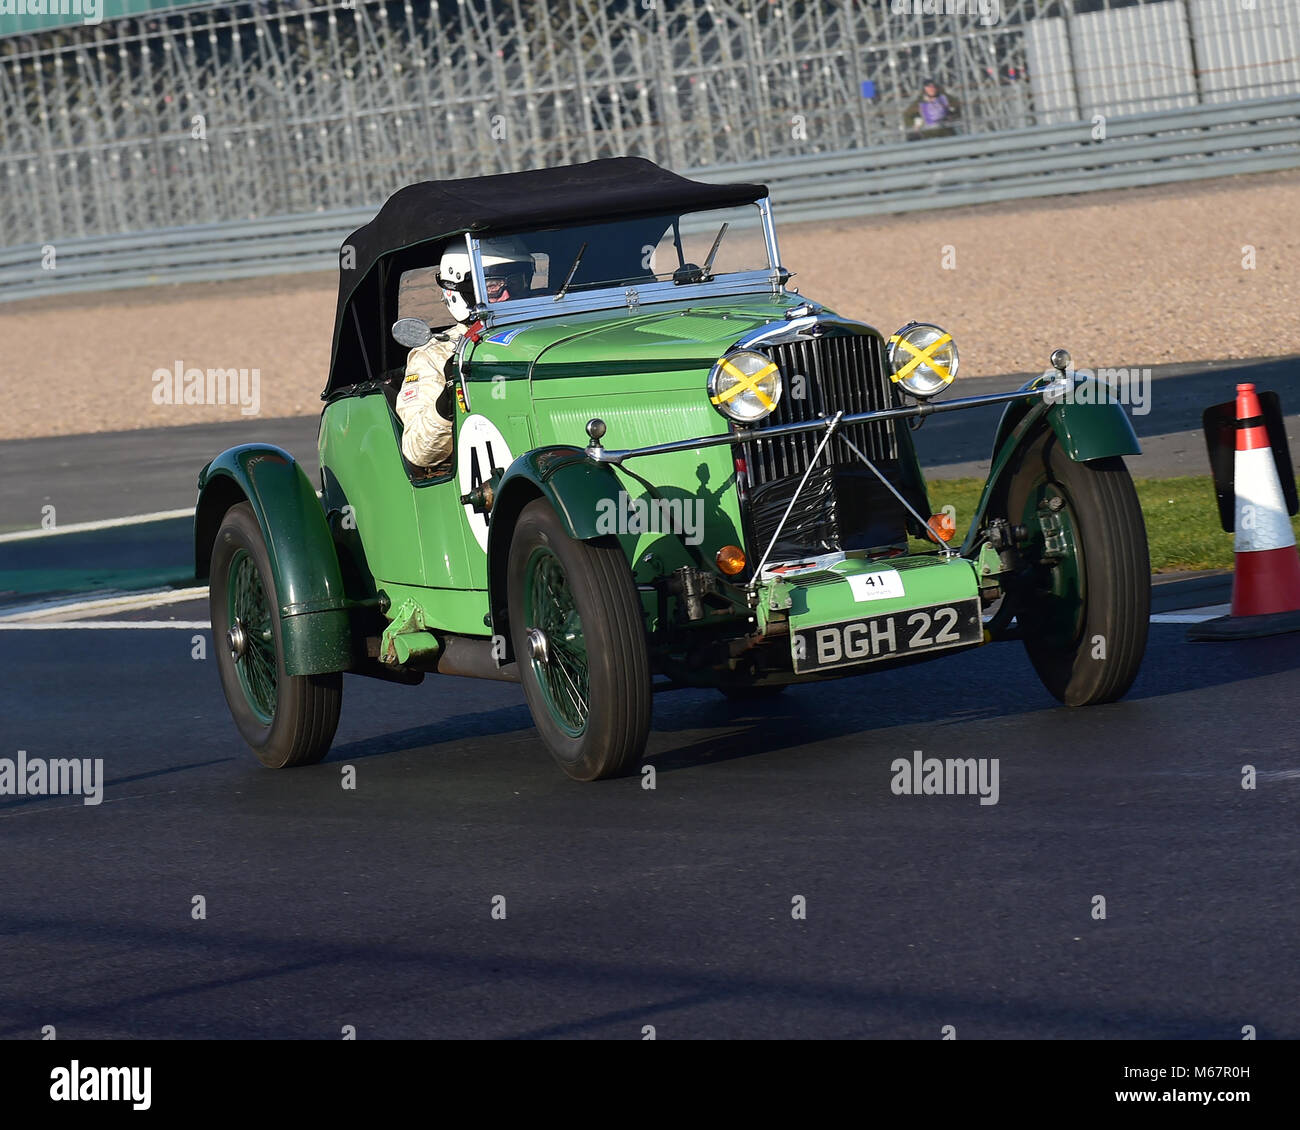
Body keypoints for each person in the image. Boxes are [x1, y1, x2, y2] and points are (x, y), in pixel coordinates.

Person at [396, 238, 533, 469]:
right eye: (493, 286)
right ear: (458, 290)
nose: (508, 296)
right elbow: (418, 451)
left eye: (517, 283)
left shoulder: (539, 339)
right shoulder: (434, 355)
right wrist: (448, 396)